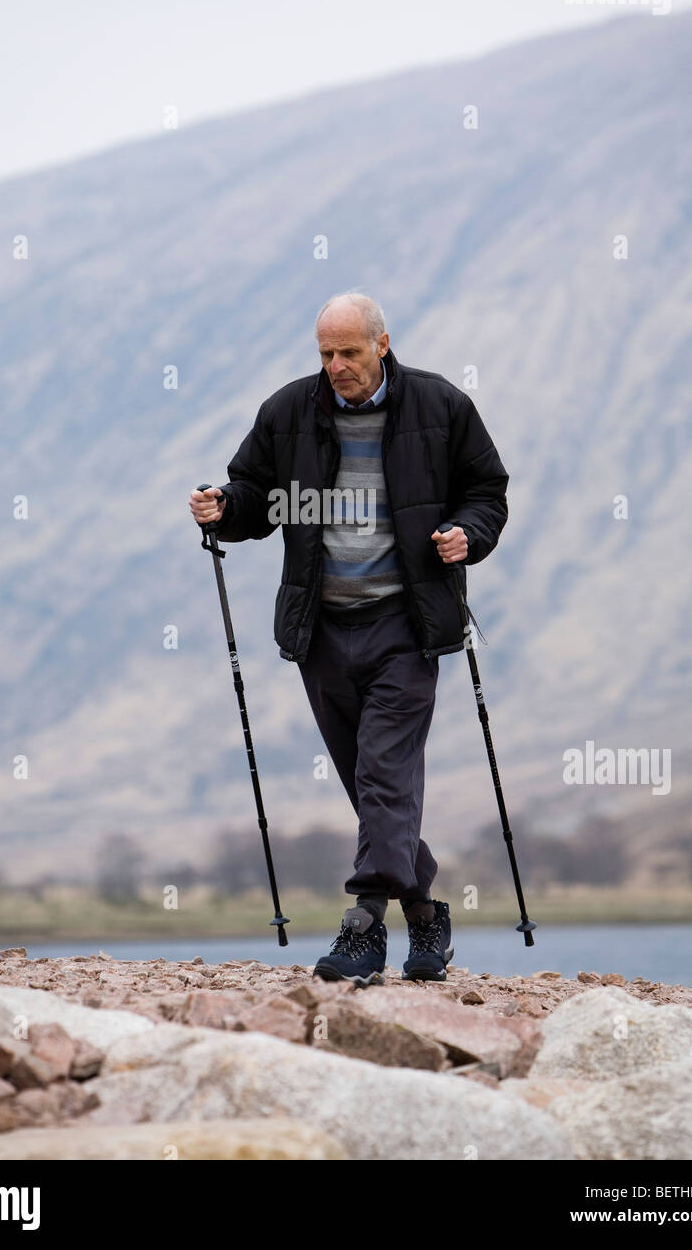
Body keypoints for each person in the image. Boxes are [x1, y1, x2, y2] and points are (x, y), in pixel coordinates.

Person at [189, 291, 508, 984]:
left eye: (349, 353)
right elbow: (256, 498)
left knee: (385, 772)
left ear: (382, 345)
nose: (337, 367)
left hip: (408, 622)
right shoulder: (288, 412)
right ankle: (426, 916)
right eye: (326, 354)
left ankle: (364, 926)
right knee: (368, 785)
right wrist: (222, 508)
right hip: (324, 628)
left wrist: (467, 536)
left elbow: (488, 491)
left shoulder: (440, 407)